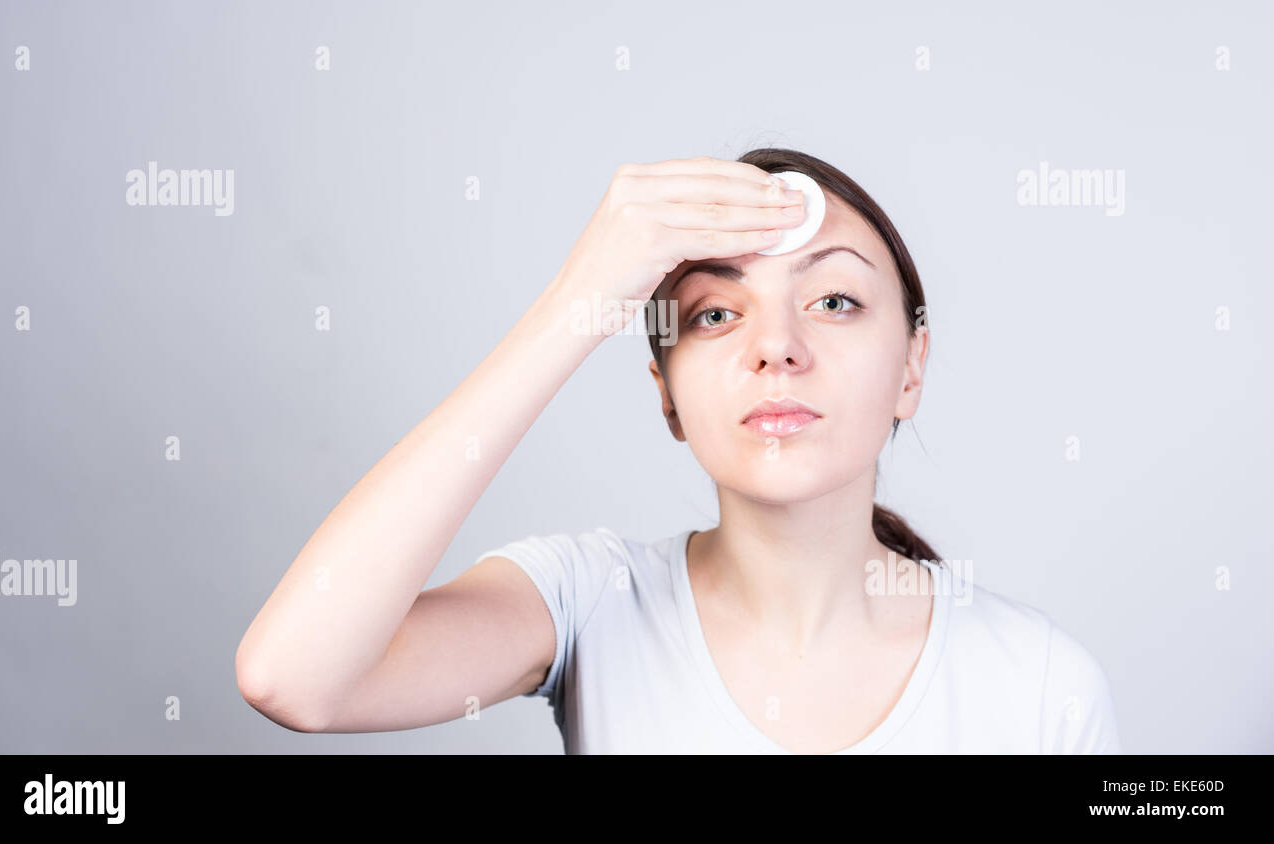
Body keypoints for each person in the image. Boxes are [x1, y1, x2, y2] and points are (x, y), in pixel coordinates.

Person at [234, 149, 1121, 754]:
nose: (776, 347)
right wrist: (581, 295)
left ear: (911, 368)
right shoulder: (587, 603)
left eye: (836, 302)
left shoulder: (1041, 688)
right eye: (715, 314)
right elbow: (294, 679)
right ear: (665, 394)